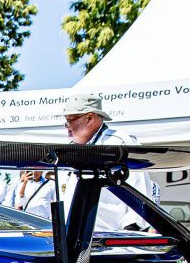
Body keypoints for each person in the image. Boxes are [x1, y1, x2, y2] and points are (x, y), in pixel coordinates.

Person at [61, 94, 156, 231]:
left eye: (70, 121)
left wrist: (130, 232)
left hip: (109, 240)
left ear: (89, 118)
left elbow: (140, 193)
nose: (67, 127)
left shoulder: (119, 144)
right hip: (75, 240)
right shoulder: (73, 149)